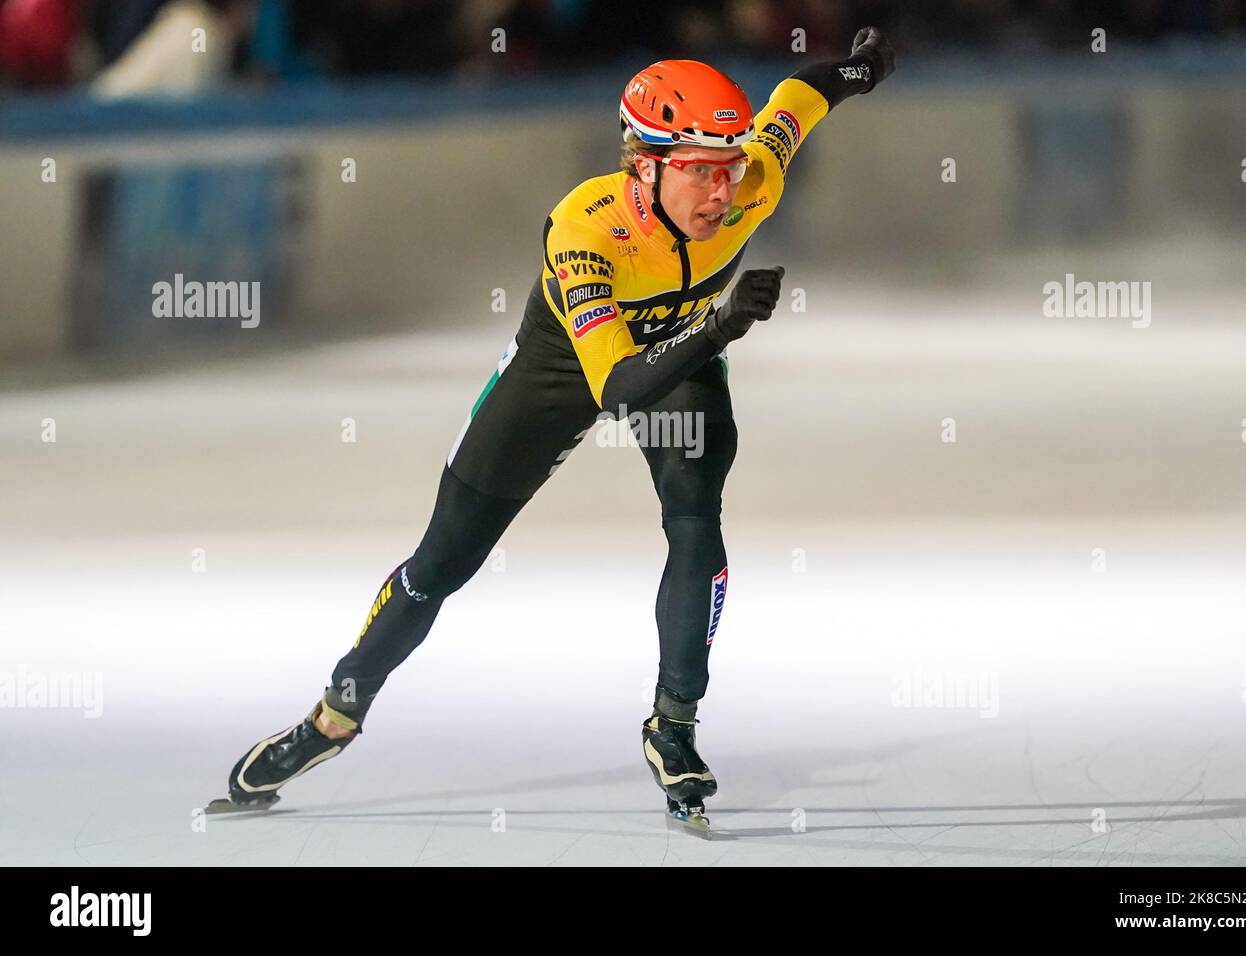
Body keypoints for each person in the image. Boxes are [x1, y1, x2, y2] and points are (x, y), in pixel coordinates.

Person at [212, 27, 895, 832]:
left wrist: (864, 66)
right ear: (644, 164)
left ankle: (673, 725)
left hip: (678, 355)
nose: (723, 192)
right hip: (572, 367)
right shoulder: (586, 229)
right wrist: (715, 328)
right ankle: (334, 714)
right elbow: (617, 389)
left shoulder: (755, 176)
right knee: (441, 564)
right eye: (704, 173)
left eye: (731, 167)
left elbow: (802, 98)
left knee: (695, 521)